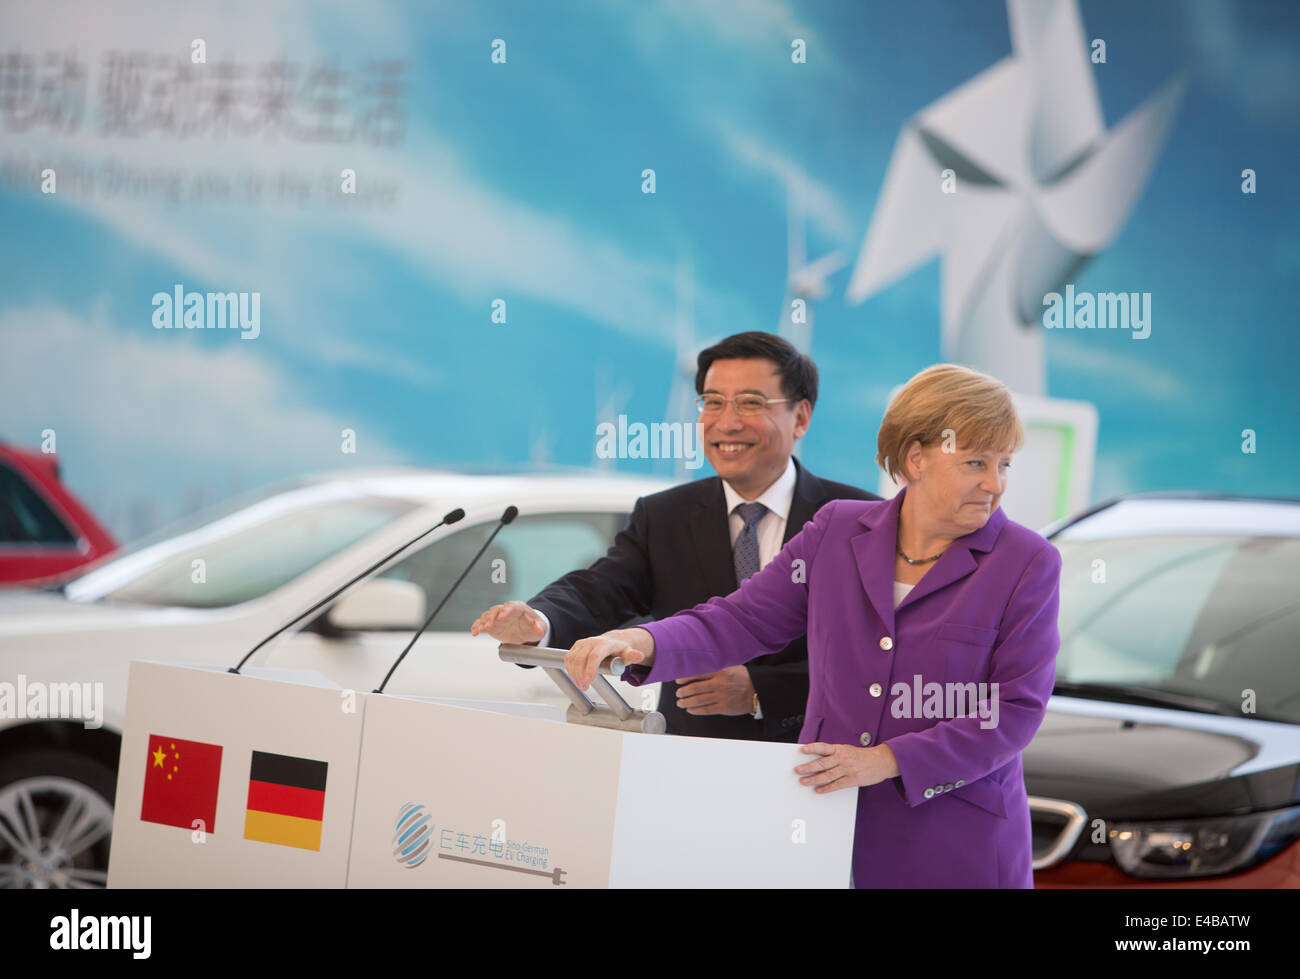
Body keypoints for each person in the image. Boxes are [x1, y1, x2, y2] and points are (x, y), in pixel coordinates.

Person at [566, 364, 1062, 888]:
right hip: (823, 831)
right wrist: (639, 641)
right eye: (976, 462)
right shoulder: (836, 531)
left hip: (956, 846)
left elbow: (1013, 712)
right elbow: (740, 619)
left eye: (1005, 464)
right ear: (915, 458)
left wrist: (887, 759)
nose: (995, 483)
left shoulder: (1027, 562)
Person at [471, 331, 877, 741]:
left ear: (801, 417)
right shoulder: (664, 515)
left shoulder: (858, 521)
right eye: (713, 402)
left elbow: (879, 661)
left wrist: (762, 691)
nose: (727, 422)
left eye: (751, 403)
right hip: (688, 760)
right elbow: (599, 590)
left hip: (822, 765)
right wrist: (538, 622)